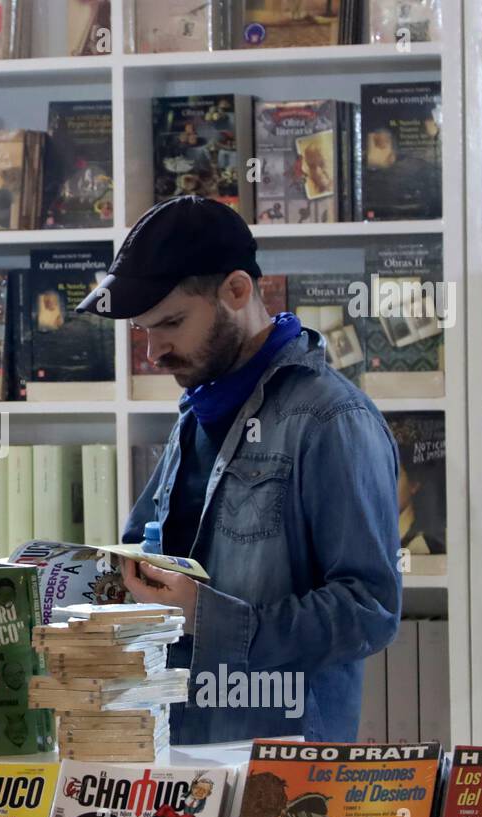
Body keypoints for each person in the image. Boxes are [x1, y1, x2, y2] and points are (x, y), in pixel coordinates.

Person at [77, 196, 401, 744]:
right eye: (143, 331)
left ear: (236, 290)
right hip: (180, 745)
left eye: (172, 323)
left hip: (281, 767)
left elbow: (369, 610)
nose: (154, 351)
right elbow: (143, 552)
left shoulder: (331, 419)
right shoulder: (198, 410)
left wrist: (210, 617)